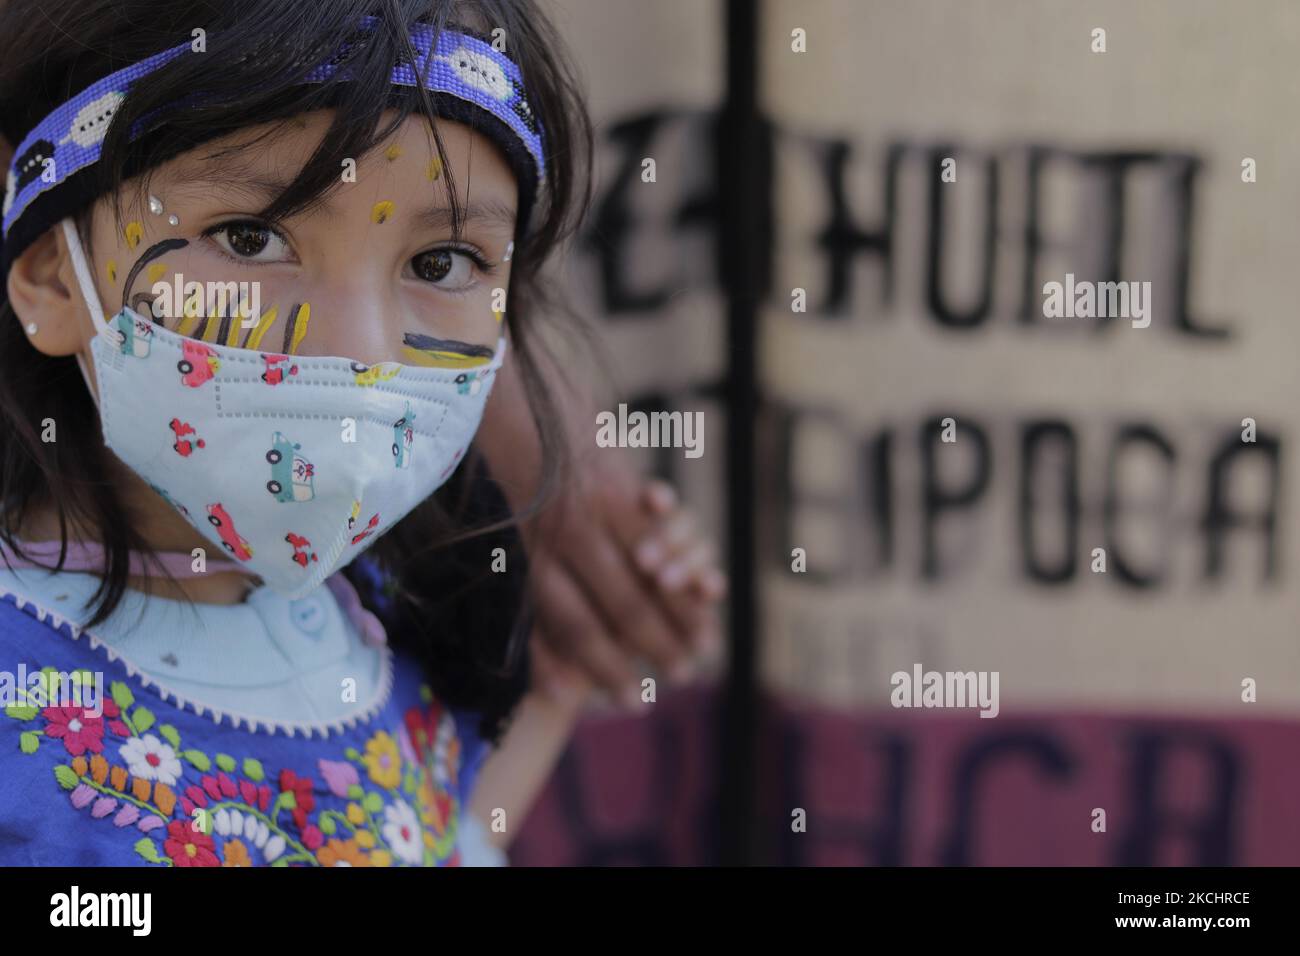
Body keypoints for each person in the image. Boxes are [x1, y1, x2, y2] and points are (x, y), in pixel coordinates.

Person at [0, 0, 723, 866]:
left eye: (441, 264)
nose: (362, 353)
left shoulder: (373, 625)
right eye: (250, 237)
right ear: (50, 276)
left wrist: (554, 687)